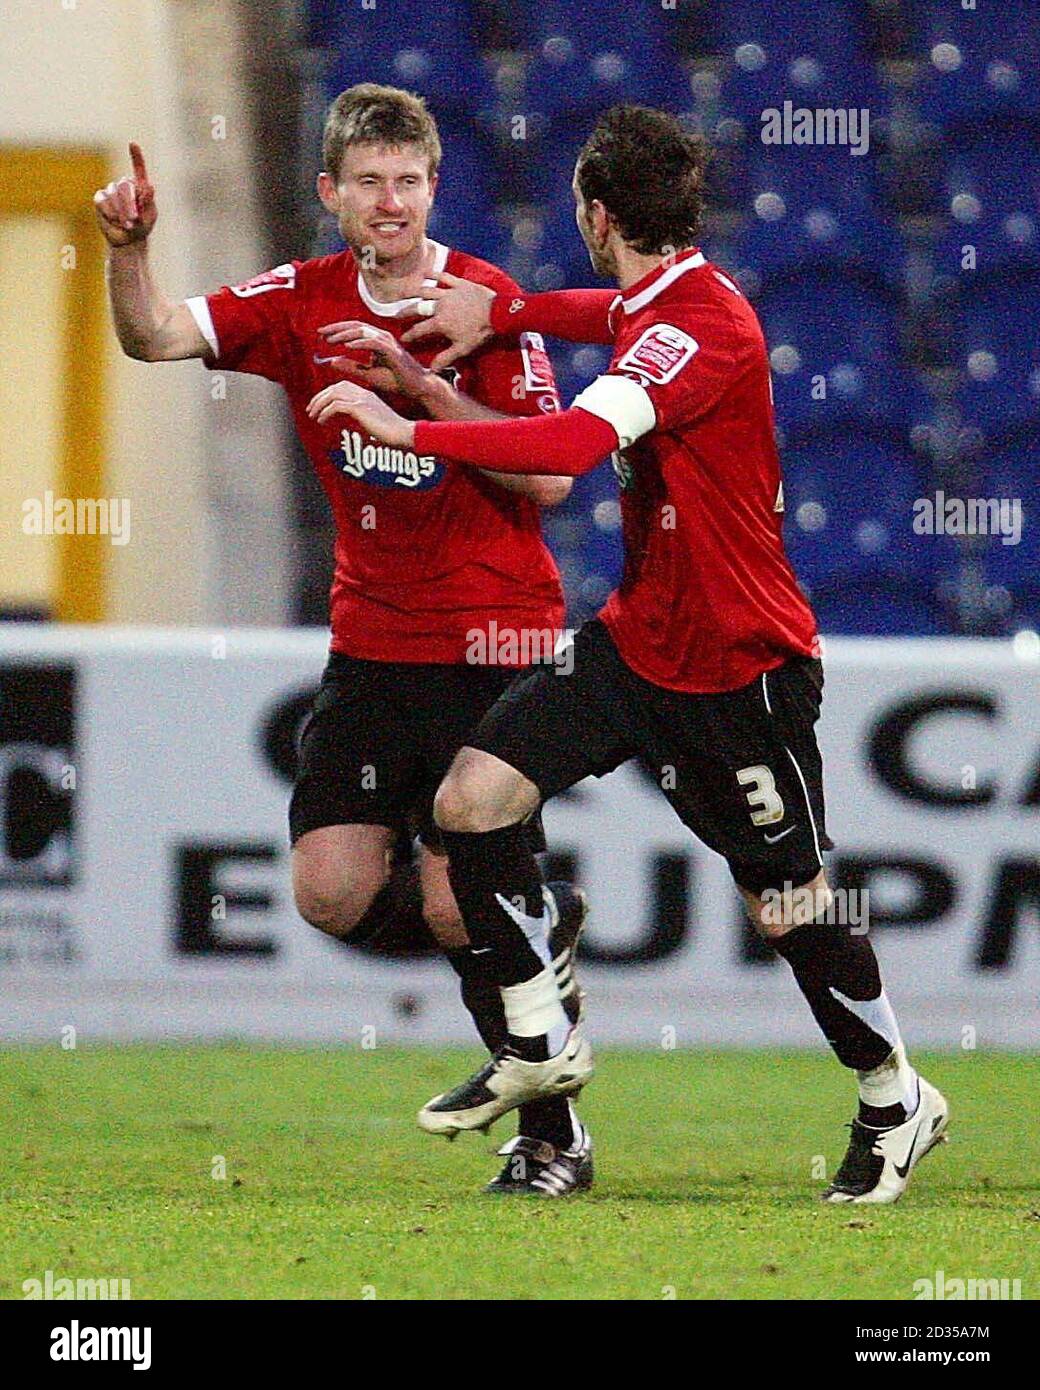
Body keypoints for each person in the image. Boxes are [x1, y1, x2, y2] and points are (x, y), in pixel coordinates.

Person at [307, 103, 950, 1205]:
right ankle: (537, 1035)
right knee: (472, 800)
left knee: (788, 905)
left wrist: (409, 425)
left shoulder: (702, 328)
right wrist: (506, 309)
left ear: (595, 213)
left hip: (737, 667)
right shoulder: (664, 298)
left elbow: (571, 440)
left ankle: (893, 1094)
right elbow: (604, 311)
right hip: (633, 644)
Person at [93, 83, 593, 1197]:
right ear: (329, 194)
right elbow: (157, 335)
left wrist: (413, 398)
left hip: (494, 635)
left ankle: (550, 1139)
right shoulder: (300, 300)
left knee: (461, 893)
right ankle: (537, 941)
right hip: (372, 643)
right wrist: (130, 248)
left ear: (432, 187)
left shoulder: (487, 303)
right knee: (329, 888)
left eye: (408, 180)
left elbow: (550, 472)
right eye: (367, 181)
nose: (389, 201)